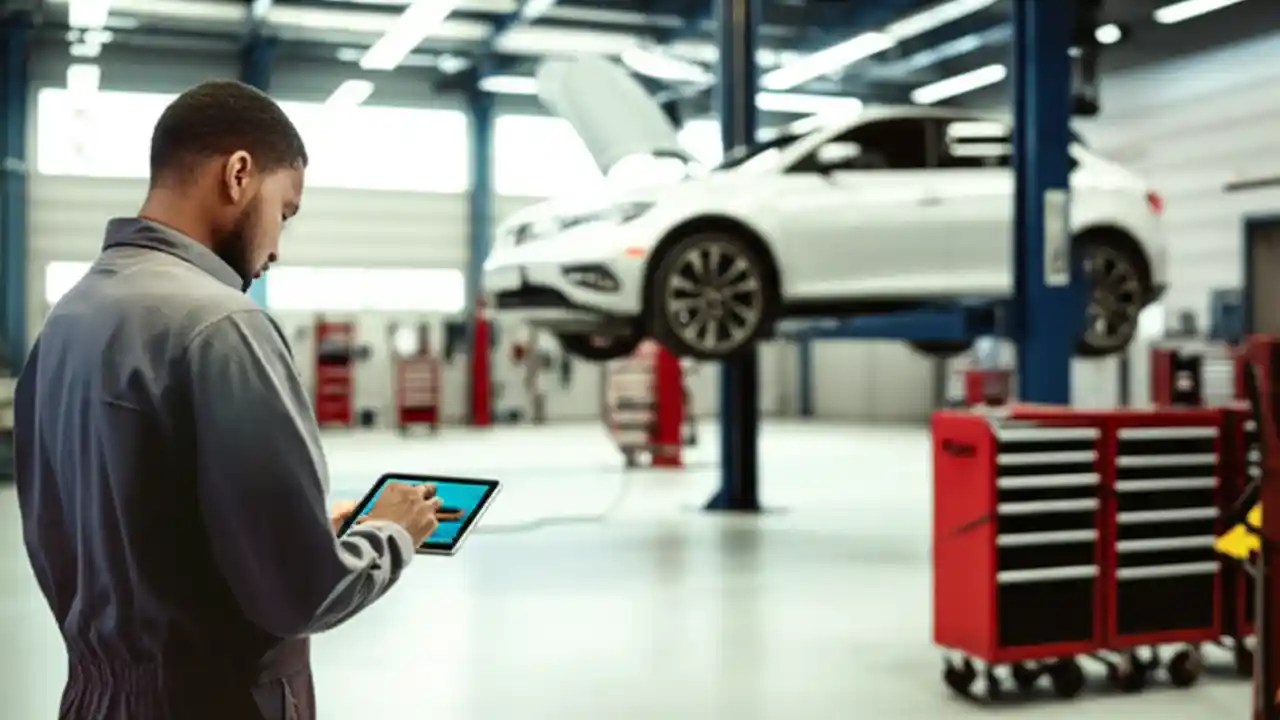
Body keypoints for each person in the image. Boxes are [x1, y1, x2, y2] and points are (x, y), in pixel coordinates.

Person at [13, 80, 442, 720]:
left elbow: (127, 532)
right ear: (239, 174)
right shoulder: (222, 325)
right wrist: (391, 536)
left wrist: (297, 533)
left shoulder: (69, 319)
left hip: (96, 698)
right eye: (285, 212)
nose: (275, 247)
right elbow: (301, 595)